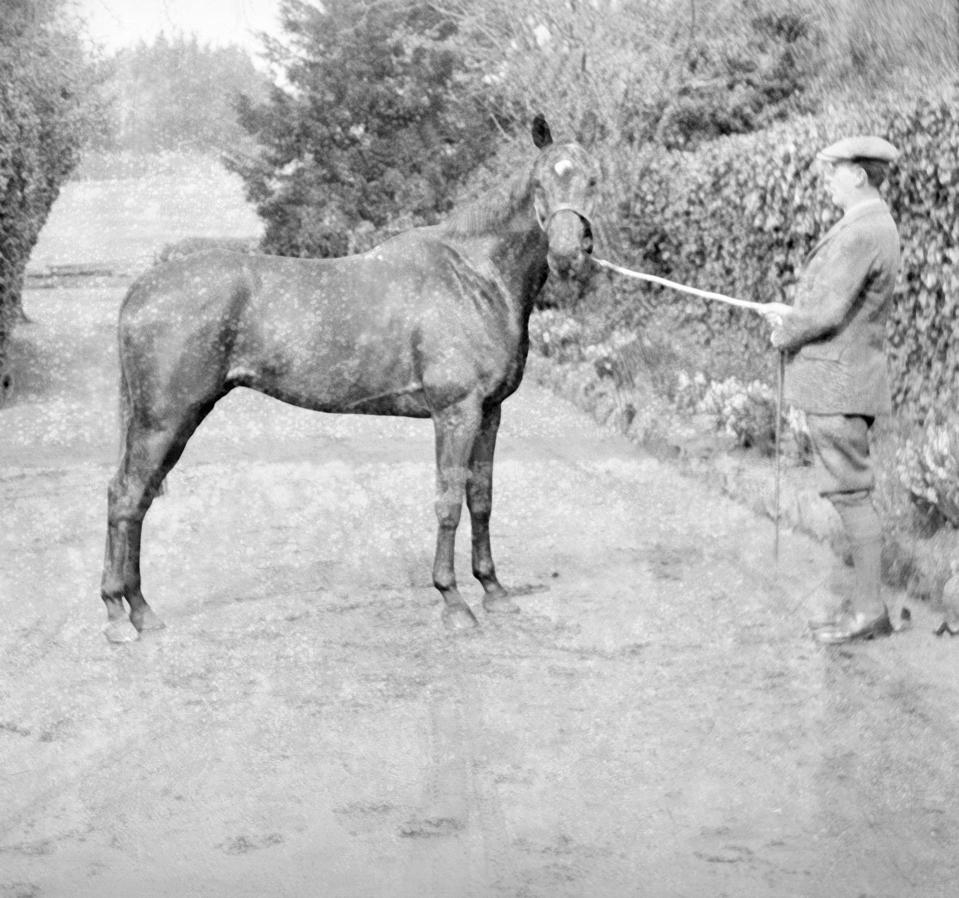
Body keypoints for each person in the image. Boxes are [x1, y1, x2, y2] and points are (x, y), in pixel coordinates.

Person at [760, 135, 901, 645]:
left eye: (833, 170)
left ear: (858, 175)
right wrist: (792, 314)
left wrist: (786, 328)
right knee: (851, 494)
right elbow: (831, 303)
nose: (826, 180)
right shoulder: (869, 225)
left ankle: (869, 612)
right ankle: (867, 606)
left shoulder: (863, 231)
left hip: (840, 385)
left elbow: (828, 312)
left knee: (852, 496)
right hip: (844, 379)